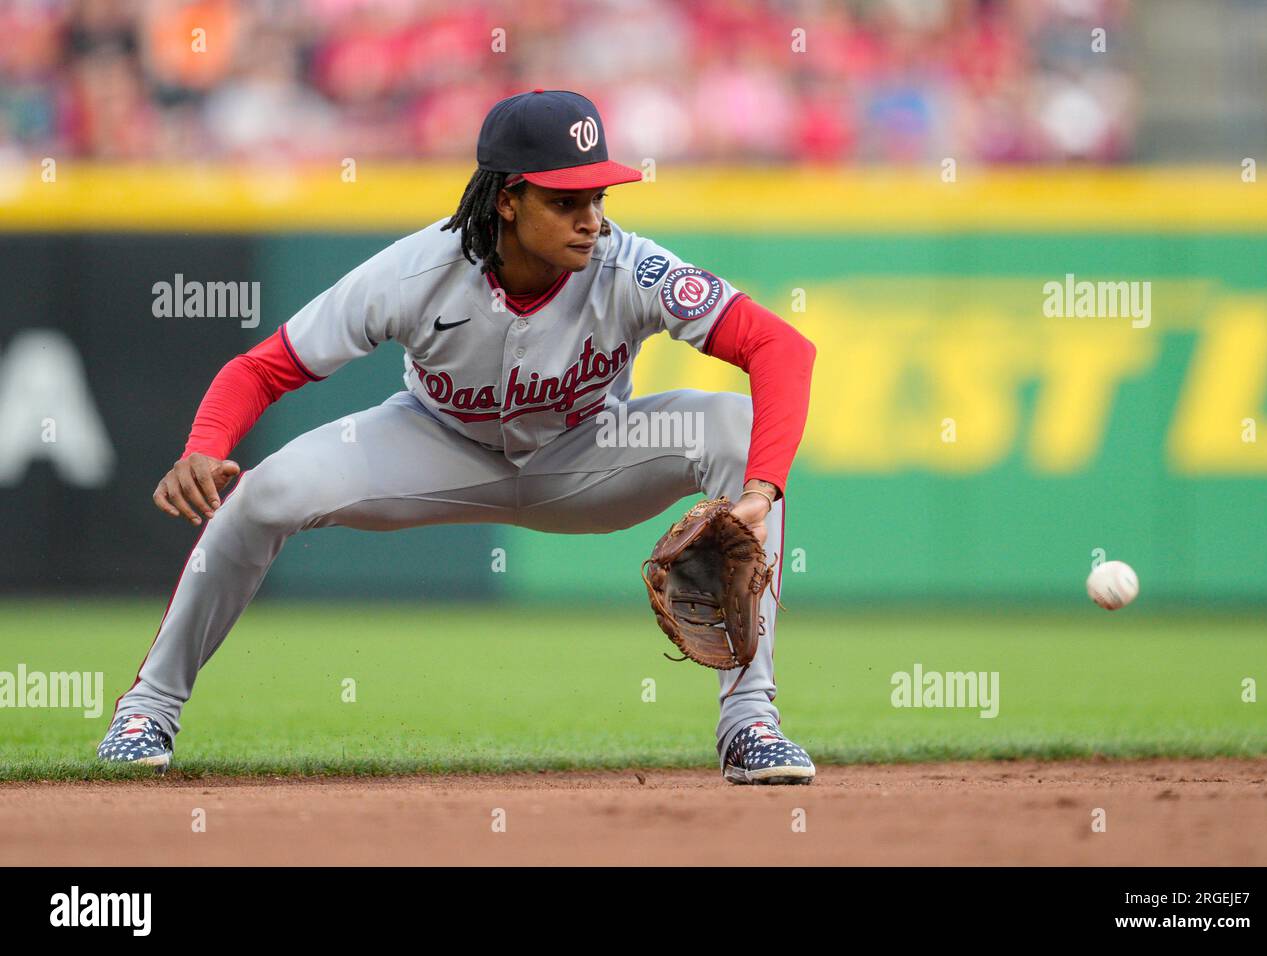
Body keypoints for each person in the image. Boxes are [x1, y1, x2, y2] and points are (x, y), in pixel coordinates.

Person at [97, 90, 818, 784]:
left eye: (597, 198)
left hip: (590, 453)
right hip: (433, 446)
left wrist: (759, 490)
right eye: (564, 201)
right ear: (507, 198)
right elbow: (265, 368)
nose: (590, 220)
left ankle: (749, 722)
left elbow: (782, 349)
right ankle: (147, 711)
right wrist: (205, 443)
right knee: (263, 494)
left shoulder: (632, 268)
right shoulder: (416, 270)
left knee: (731, 425)